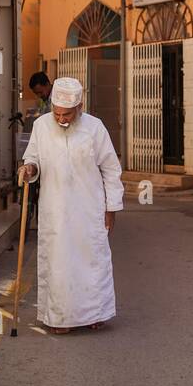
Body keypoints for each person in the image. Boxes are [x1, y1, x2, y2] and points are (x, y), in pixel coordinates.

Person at [21, 76, 123, 334]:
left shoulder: (95, 128)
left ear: (80, 108)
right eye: (57, 113)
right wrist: (30, 167)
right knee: (59, 264)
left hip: (89, 208)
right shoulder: (42, 126)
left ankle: (94, 314)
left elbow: (111, 169)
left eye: (67, 114)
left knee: (91, 262)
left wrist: (110, 209)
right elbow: (33, 157)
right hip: (54, 208)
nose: (61, 119)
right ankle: (60, 318)